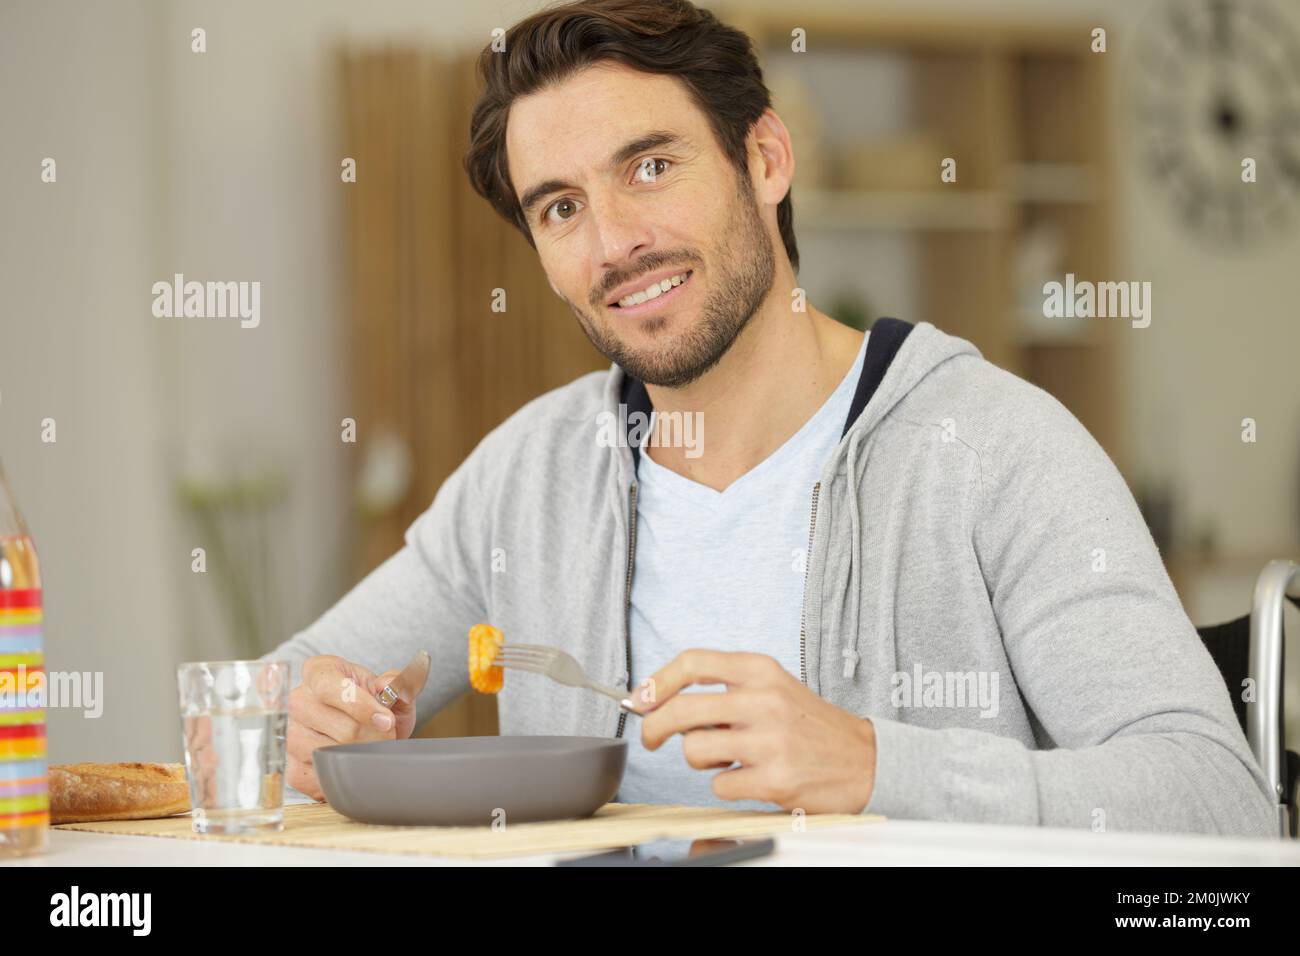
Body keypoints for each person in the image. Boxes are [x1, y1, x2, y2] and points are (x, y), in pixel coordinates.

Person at [263, 0, 1275, 834]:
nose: (615, 241)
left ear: (766, 159)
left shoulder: (997, 449)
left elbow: (1213, 799)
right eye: (560, 208)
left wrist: (877, 762)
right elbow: (281, 694)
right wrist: (308, 715)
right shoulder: (529, 474)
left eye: (650, 165)